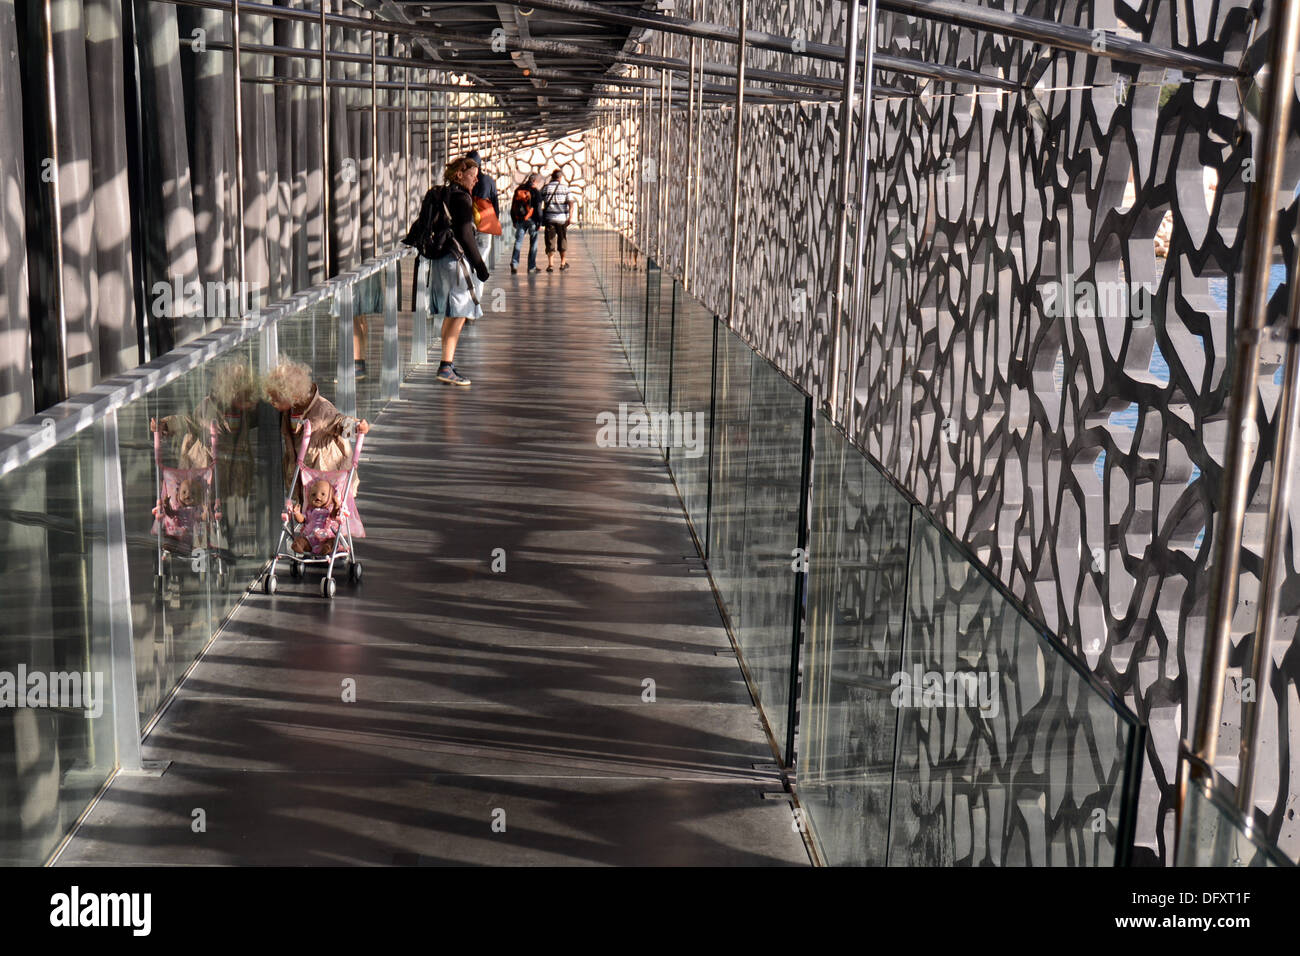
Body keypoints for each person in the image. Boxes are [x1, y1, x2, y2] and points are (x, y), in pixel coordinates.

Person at [263, 359, 369, 498]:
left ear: (292, 396)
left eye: (276, 399)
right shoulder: (289, 411)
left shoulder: (321, 409)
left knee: (323, 505)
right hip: (303, 470)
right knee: (306, 505)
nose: (273, 403)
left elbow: (338, 422)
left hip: (325, 472)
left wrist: (356, 426)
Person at [428, 156, 490, 386]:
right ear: (460, 174)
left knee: (452, 313)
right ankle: (446, 366)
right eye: (472, 176)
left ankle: (447, 363)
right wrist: (480, 266)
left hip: (442, 260)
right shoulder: (461, 198)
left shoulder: (443, 193)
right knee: (461, 312)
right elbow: (465, 234)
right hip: (456, 262)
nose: (475, 181)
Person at [466, 149, 499, 266]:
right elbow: (495, 203)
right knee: (481, 259)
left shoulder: (463, 180)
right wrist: (495, 221)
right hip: (486, 223)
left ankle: (470, 281)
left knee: (468, 257)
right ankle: (476, 282)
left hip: (467, 224)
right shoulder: (489, 180)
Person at [539, 169, 574, 272]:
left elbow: (539, 202)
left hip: (549, 219)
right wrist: (570, 217)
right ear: (560, 177)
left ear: (552, 177)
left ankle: (550, 264)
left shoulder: (545, 188)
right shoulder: (565, 188)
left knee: (550, 241)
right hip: (562, 219)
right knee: (562, 239)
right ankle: (563, 263)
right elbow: (571, 203)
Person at [510, 174, 543, 274]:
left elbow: (513, 206)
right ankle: (531, 267)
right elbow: (538, 208)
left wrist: (514, 220)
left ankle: (514, 263)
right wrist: (540, 222)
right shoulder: (535, 191)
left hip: (520, 220)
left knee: (518, 242)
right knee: (533, 243)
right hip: (532, 221)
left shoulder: (519, 189)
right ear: (536, 181)